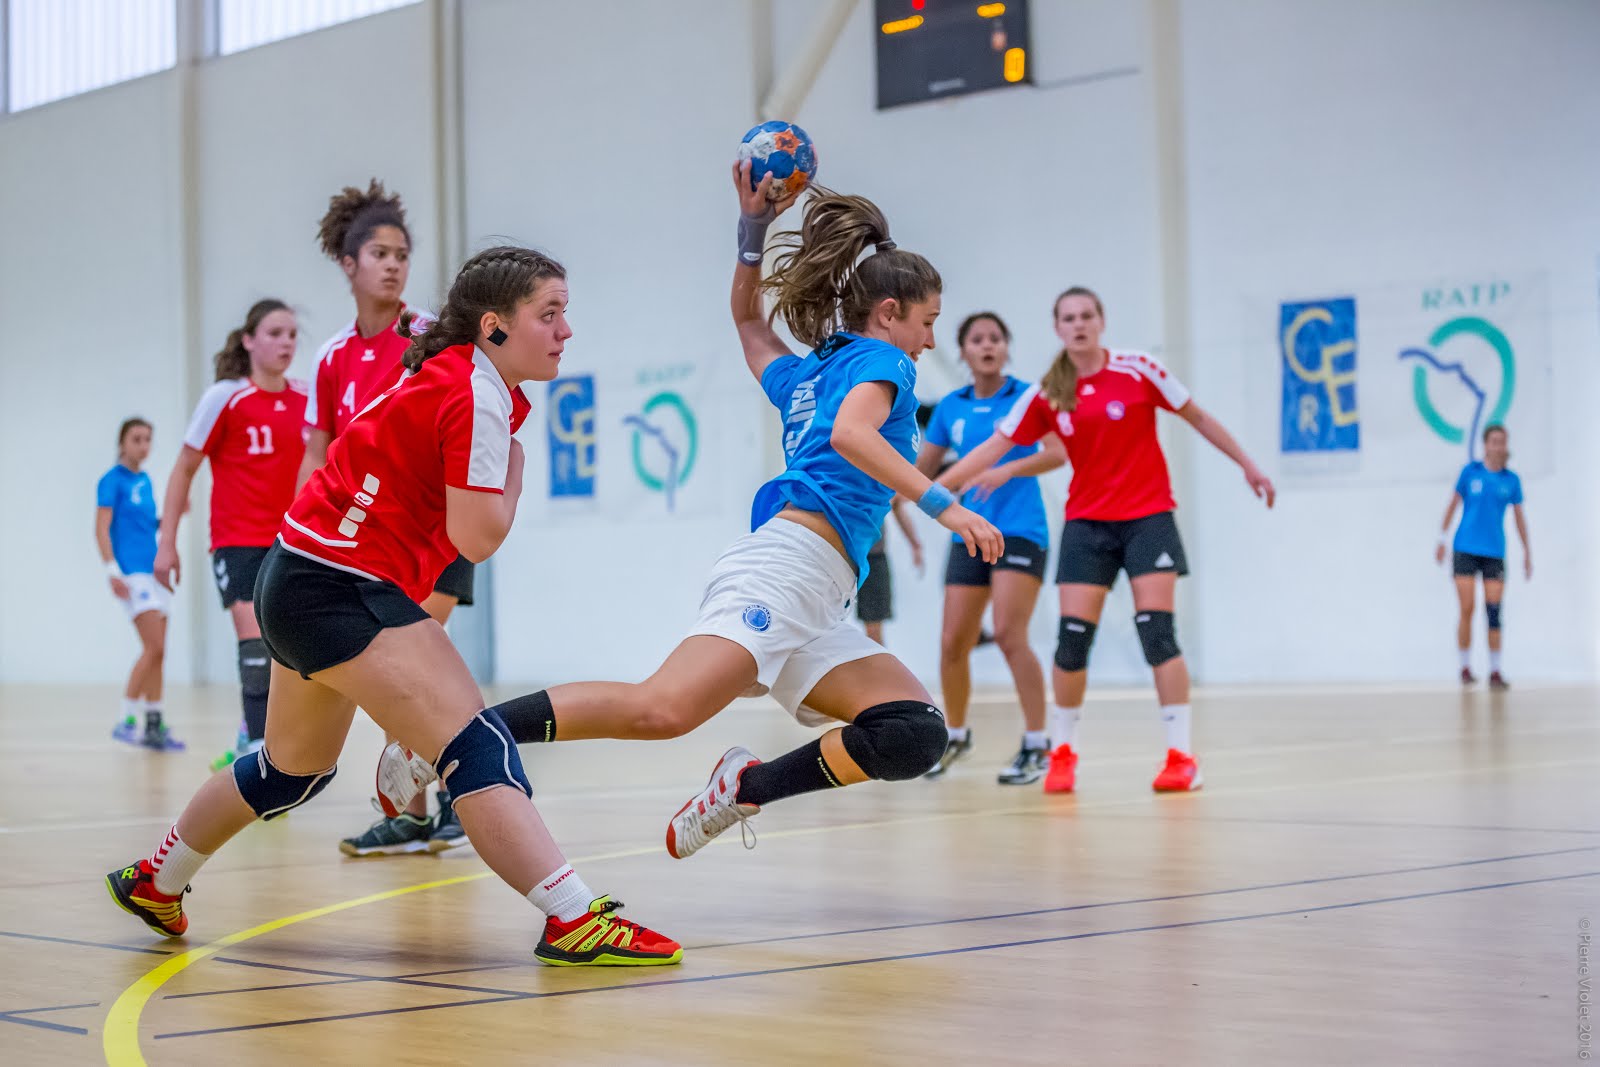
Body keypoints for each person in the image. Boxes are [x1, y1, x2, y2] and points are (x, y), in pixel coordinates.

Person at [375, 166, 1002, 861]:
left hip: (818, 589)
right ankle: (447, 736)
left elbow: (748, 321)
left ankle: (745, 787)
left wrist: (752, 230)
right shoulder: (886, 364)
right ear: (888, 313)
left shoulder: (812, 372)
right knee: (662, 709)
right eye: (927, 323)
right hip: (787, 572)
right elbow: (854, 435)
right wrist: (948, 509)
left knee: (911, 731)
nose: (930, 341)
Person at [106, 245, 681, 967]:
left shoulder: (456, 372)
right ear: (496, 325)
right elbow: (477, 537)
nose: (566, 330)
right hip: (339, 585)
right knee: (475, 745)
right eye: (551, 313)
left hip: (297, 573)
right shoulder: (475, 394)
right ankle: (573, 918)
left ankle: (156, 879)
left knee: (291, 770)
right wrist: (515, 472)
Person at [941, 286, 1274, 794]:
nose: (1078, 324)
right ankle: (1062, 753)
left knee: (1157, 633)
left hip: (1148, 520)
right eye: (1068, 318)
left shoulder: (1138, 369)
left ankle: (1181, 757)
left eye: (1086, 316)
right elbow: (993, 447)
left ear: (1100, 321)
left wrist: (1248, 465)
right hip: (1087, 526)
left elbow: (1198, 417)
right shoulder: (1047, 392)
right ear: (1057, 328)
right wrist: (929, 492)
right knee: (1072, 641)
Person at [300, 179, 468, 855]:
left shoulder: (428, 336)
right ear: (349, 263)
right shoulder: (332, 358)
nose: (394, 265)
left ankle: (458, 798)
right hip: (364, 547)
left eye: (402, 254)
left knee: (413, 669)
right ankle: (412, 815)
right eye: (379, 254)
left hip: (435, 531)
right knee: (395, 676)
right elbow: (318, 454)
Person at [154, 300, 308, 771]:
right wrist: (167, 542)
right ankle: (258, 752)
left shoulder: (307, 398)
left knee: (289, 648)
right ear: (249, 340)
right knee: (255, 639)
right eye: (274, 333)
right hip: (237, 538)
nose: (285, 343)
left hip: (293, 541)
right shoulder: (226, 396)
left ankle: (251, 728)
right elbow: (184, 468)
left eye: (292, 334)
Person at [919, 312, 1065, 784]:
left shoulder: (1028, 397)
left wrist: (1007, 469)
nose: (987, 346)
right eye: (977, 339)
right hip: (969, 533)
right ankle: (956, 736)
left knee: (1008, 634)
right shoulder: (950, 407)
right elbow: (921, 473)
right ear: (962, 351)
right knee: (952, 642)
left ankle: (1037, 743)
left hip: (1020, 530)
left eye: (995, 338)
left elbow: (1057, 452)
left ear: (1007, 347)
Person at [97, 417, 182, 750]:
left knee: (160, 653)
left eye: (148, 439)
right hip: (132, 574)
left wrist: (174, 516)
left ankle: (154, 725)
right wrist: (112, 571)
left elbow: (147, 526)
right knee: (153, 647)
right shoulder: (111, 481)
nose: (144, 446)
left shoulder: (145, 481)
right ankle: (127, 719)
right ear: (122, 443)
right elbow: (101, 528)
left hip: (155, 572)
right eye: (137, 439)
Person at [1434, 423, 1530, 689]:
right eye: (1494, 441)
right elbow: (1452, 505)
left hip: (1494, 552)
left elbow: (1519, 518)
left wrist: (1526, 550)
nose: (1498, 446)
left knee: (1494, 611)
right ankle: (1465, 666)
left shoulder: (1511, 480)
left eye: (1502, 441)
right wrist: (1441, 539)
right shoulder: (1470, 473)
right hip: (1465, 548)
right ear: (1486, 445)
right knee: (1467, 608)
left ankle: (1495, 671)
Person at [856, 498, 923, 645]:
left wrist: (915, 543)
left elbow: (897, 503)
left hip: (873, 557)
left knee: (874, 629)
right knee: (825, 626)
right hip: (841, 554)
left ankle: (875, 660)